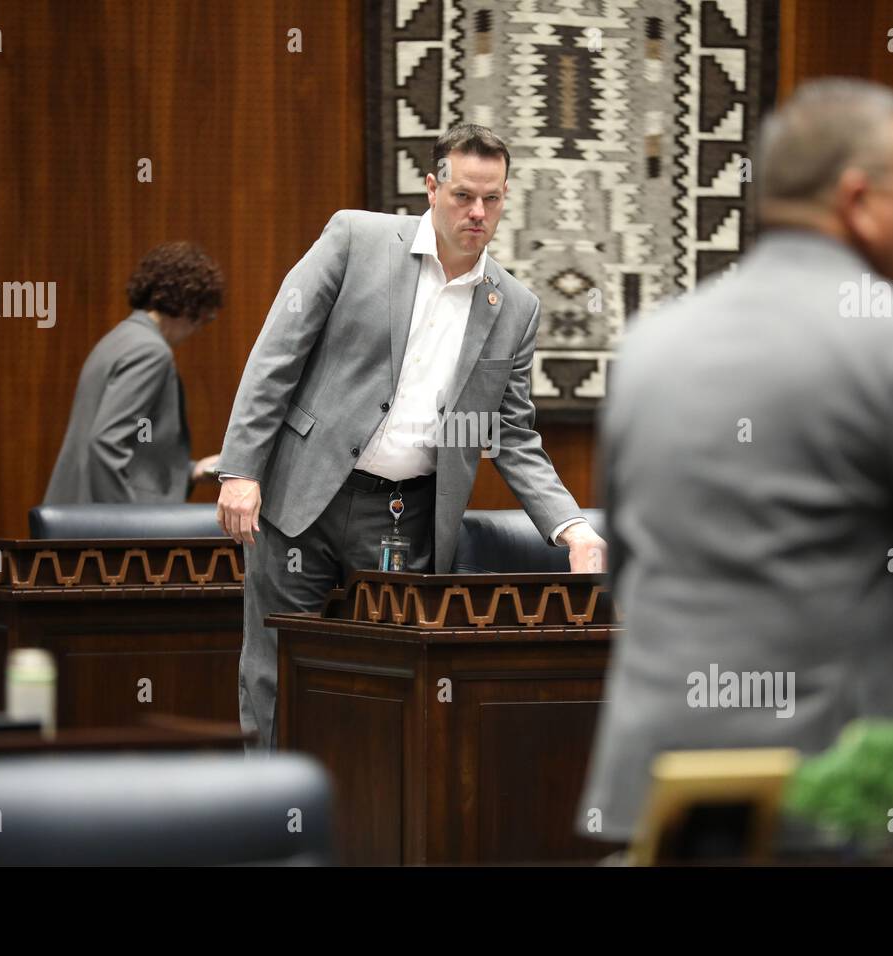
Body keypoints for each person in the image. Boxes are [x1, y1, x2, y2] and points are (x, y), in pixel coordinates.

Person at [578, 78, 893, 845]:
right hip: (837, 795)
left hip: (659, 793)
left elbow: (627, 568)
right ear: (858, 198)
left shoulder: (652, 343)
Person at [215, 124, 608, 747]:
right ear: (432, 187)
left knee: (391, 684)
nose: (477, 212)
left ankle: (366, 826)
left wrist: (573, 526)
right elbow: (276, 356)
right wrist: (241, 469)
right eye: (463, 196)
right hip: (303, 496)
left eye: (493, 198)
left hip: (403, 519)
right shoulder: (356, 238)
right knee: (273, 673)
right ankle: (273, 821)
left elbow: (508, 433)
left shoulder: (516, 305)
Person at [43, 241, 225, 504]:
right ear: (189, 305)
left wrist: (190, 471)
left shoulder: (118, 339)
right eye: (205, 318)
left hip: (78, 510)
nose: (198, 329)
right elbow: (106, 443)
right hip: (100, 528)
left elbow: (135, 442)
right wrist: (127, 526)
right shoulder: (151, 351)